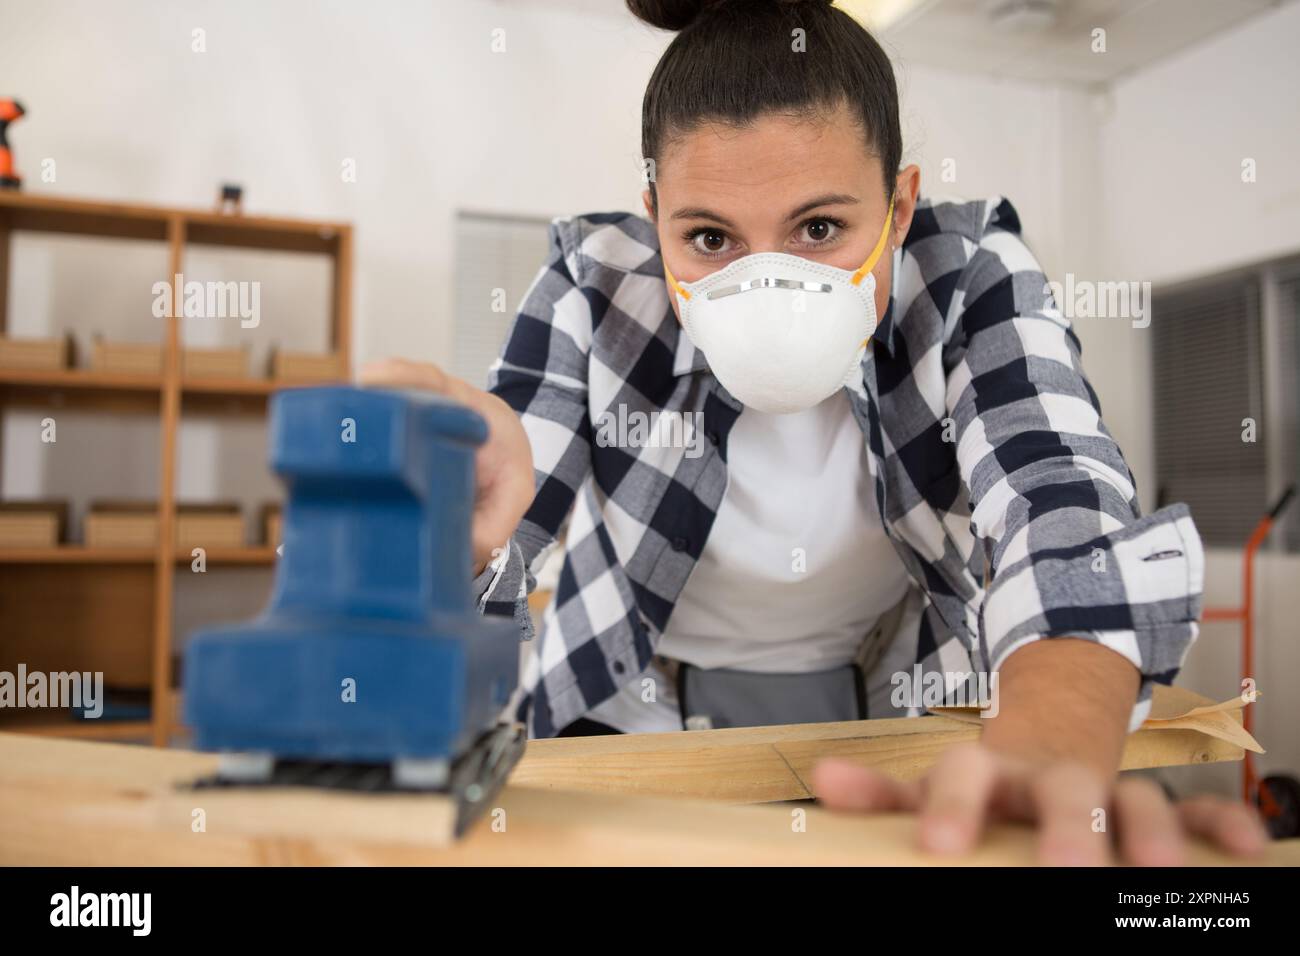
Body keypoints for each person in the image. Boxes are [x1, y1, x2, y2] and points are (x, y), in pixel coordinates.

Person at [361, 0, 1267, 864]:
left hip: (882, 722)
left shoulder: (965, 276)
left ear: (901, 209)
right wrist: (452, 526)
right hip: (624, 722)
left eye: (821, 227)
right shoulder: (595, 286)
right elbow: (494, 527)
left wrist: (1047, 748)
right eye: (711, 238)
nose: (767, 286)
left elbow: (1060, 499)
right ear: (653, 220)